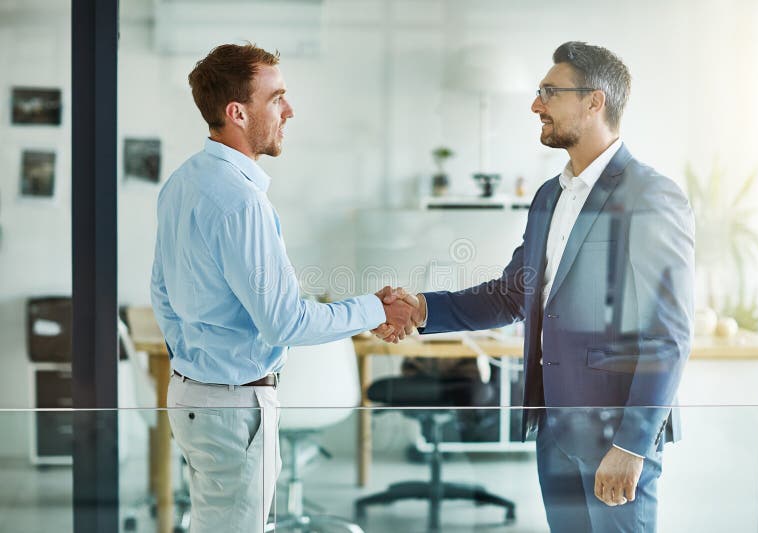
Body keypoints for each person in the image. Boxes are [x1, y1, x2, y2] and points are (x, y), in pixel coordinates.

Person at [375, 41, 694, 532]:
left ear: (594, 103)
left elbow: (667, 335)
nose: (535, 104)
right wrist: (421, 309)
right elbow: (512, 294)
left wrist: (631, 445)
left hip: (615, 439)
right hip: (555, 432)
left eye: (550, 91)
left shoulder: (650, 195)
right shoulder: (550, 196)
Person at [150, 43, 415, 533]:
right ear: (236, 112)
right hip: (233, 409)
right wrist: (371, 309)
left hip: (193, 396)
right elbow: (285, 321)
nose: (288, 110)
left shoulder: (183, 182)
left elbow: (161, 295)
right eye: (276, 98)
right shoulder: (241, 203)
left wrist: (197, 364)